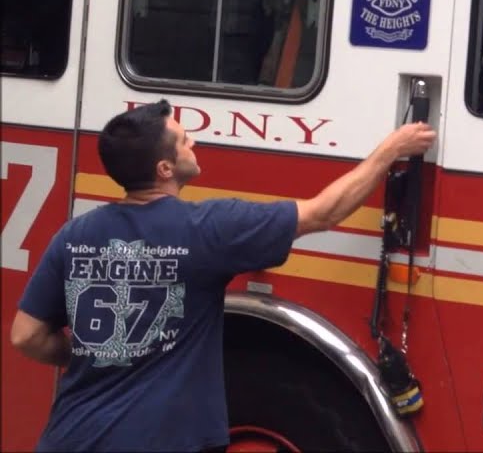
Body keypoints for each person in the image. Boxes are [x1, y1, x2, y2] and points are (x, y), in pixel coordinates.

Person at [8, 99, 436, 452]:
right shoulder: (208, 230)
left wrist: (97, 353)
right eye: (182, 139)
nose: (192, 140)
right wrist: (391, 149)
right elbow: (323, 212)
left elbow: (25, 335)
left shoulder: (75, 234)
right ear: (164, 169)